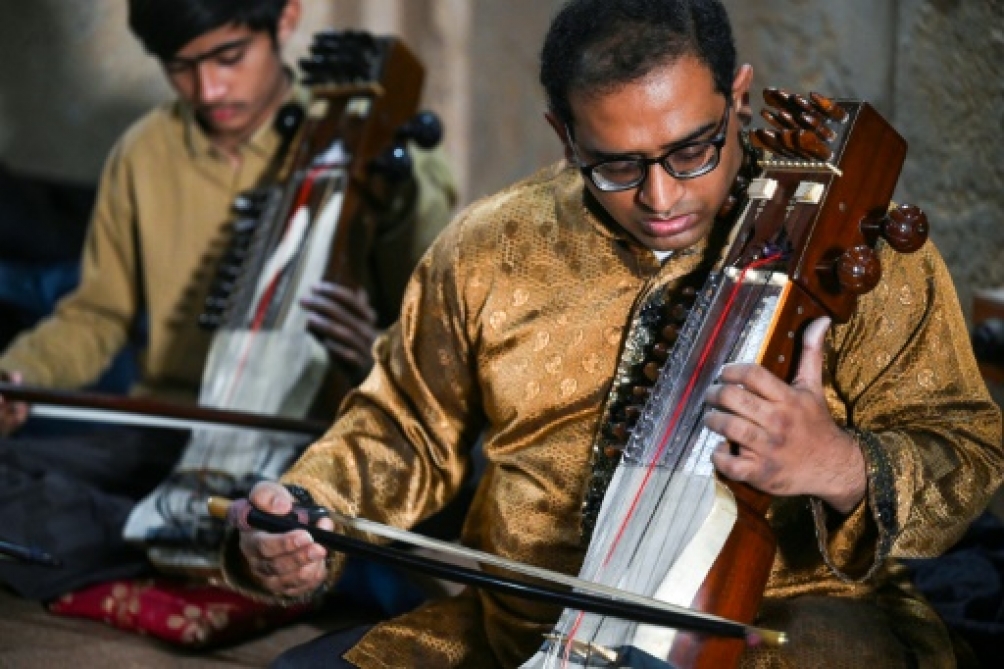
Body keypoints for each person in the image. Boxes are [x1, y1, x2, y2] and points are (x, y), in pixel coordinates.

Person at [226, 0, 1003, 666]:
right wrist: (307, 508)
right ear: (564, 136)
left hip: (778, 625)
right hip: (527, 628)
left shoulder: (848, 243)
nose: (662, 196)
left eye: (693, 148)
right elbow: (402, 426)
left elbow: (968, 450)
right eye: (616, 165)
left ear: (738, 97)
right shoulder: (490, 247)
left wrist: (837, 464)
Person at [0, 0, 457, 602]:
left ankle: (193, 538)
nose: (208, 88)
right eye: (180, 67)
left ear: (286, 20)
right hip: (168, 422)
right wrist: (20, 374)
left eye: (229, 57)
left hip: (307, 435)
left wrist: (372, 344)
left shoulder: (385, 153)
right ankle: (188, 537)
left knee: (338, 514)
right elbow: (97, 315)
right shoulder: (144, 153)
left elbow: (435, 349)